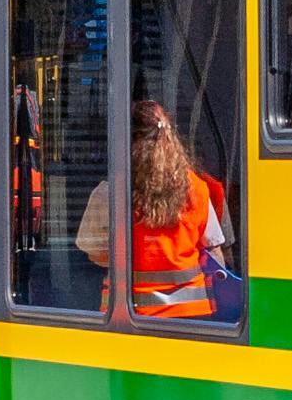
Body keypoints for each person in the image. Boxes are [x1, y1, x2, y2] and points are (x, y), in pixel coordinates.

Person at [77, 100, 232, 319]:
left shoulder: (109, 193)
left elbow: (95, 253)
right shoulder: (197, 188)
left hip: (127, 318)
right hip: (192, 316)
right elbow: (215, 251)